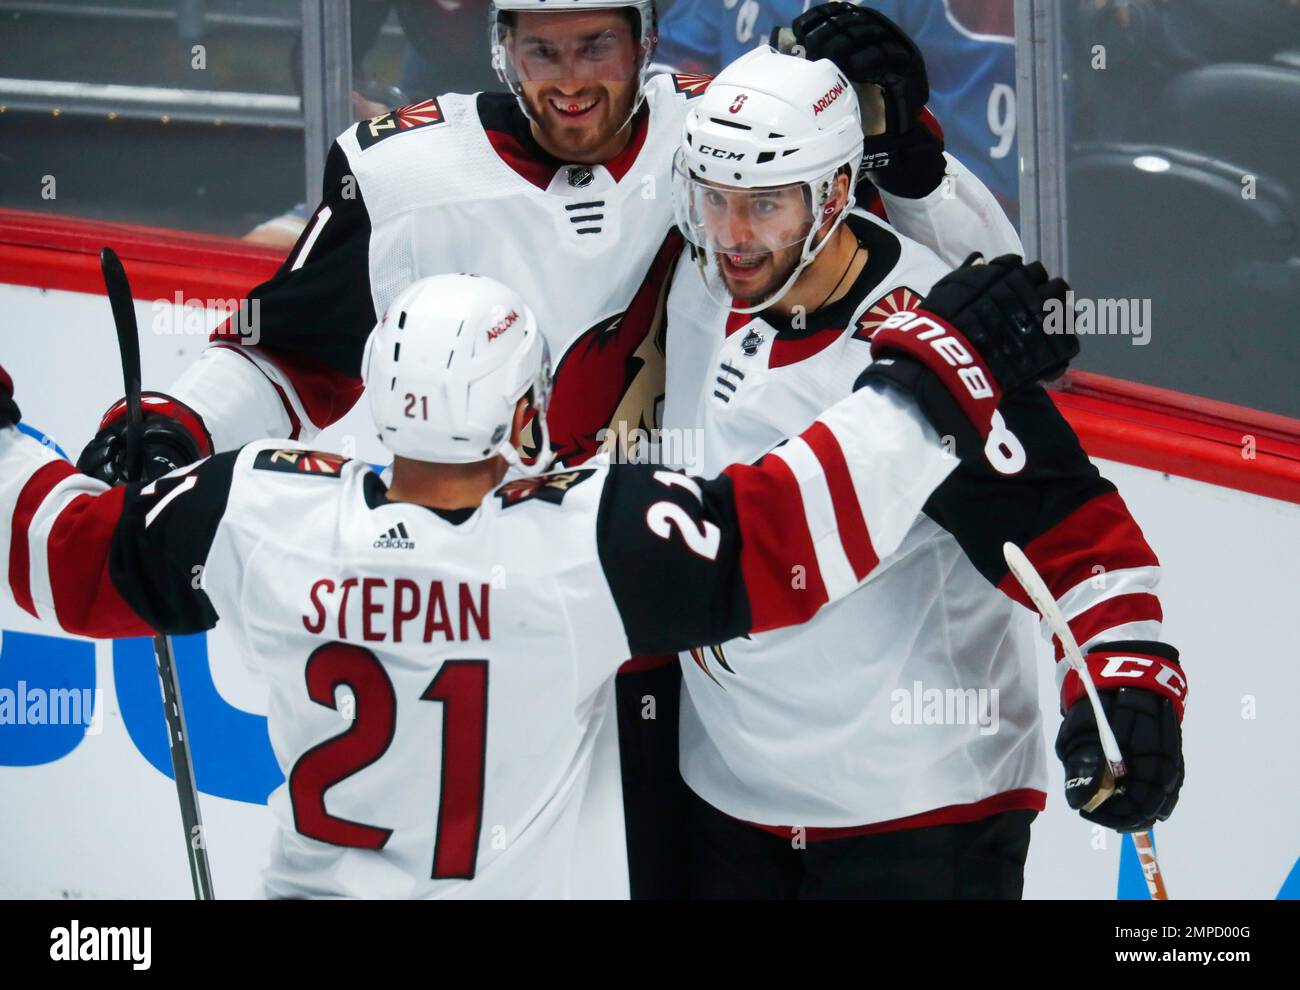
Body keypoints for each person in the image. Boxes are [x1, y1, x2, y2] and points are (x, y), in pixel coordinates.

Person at [74, 0, 1021, 898]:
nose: (571, 81)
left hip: (671, 634)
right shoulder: (405, 175)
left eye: (597, 47)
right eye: (543, 49)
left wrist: (912, 163)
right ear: (500, 45)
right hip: (486, 617)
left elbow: (987, 294)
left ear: (643, 36)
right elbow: (283, 352)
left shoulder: (719, 141)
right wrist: (174, 423)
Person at [0, 262, 1075, 898]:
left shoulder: (255, 506)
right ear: (523, 415)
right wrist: (934, 373)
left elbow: (57, 558)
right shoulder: (580, 544)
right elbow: (788, 536)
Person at [663, 48, 1187, 898]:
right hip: (730, 791)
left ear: (832, 194)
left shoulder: (931, 342)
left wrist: (1126, 682)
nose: (732, 235)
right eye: (714, 200)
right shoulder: (698, 277)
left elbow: (1075, 534)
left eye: (764, 204)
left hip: (915, 813)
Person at [655, 0, 1020, 213]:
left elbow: (995, 187)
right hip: (725, 222)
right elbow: (665, 71)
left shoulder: (974, 9)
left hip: (885, 262)